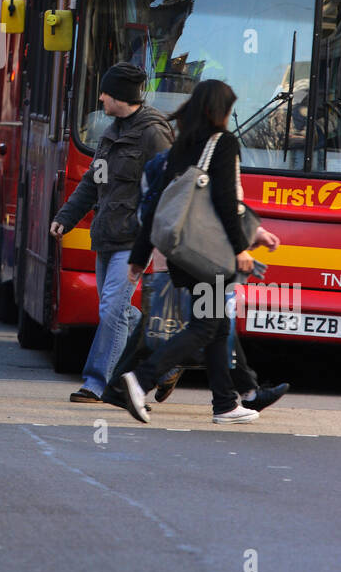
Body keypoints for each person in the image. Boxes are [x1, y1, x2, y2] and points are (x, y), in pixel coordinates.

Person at [118, 79, 284, 425]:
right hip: (211, 261)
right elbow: (226, 202)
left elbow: (157, 206)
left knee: (218, 326)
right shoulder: (223, 143)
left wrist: (139, 255)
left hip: (186, 256)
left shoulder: (183, 146)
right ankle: (140, 380)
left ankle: (225, 403)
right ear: (218, 110)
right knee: (206, 325)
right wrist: (241, 248)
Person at [50, 62, 173, 404]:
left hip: (134, 238)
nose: (100, 97)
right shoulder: (111, 131)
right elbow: (94, 180)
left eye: (105, 92)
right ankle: (163, 365)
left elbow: (169, 188)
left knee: (112, 310)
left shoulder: (153, 133)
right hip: (107, 233)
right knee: (119, 311)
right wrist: (67, 216)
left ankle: (96, 382)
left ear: (120, 95)